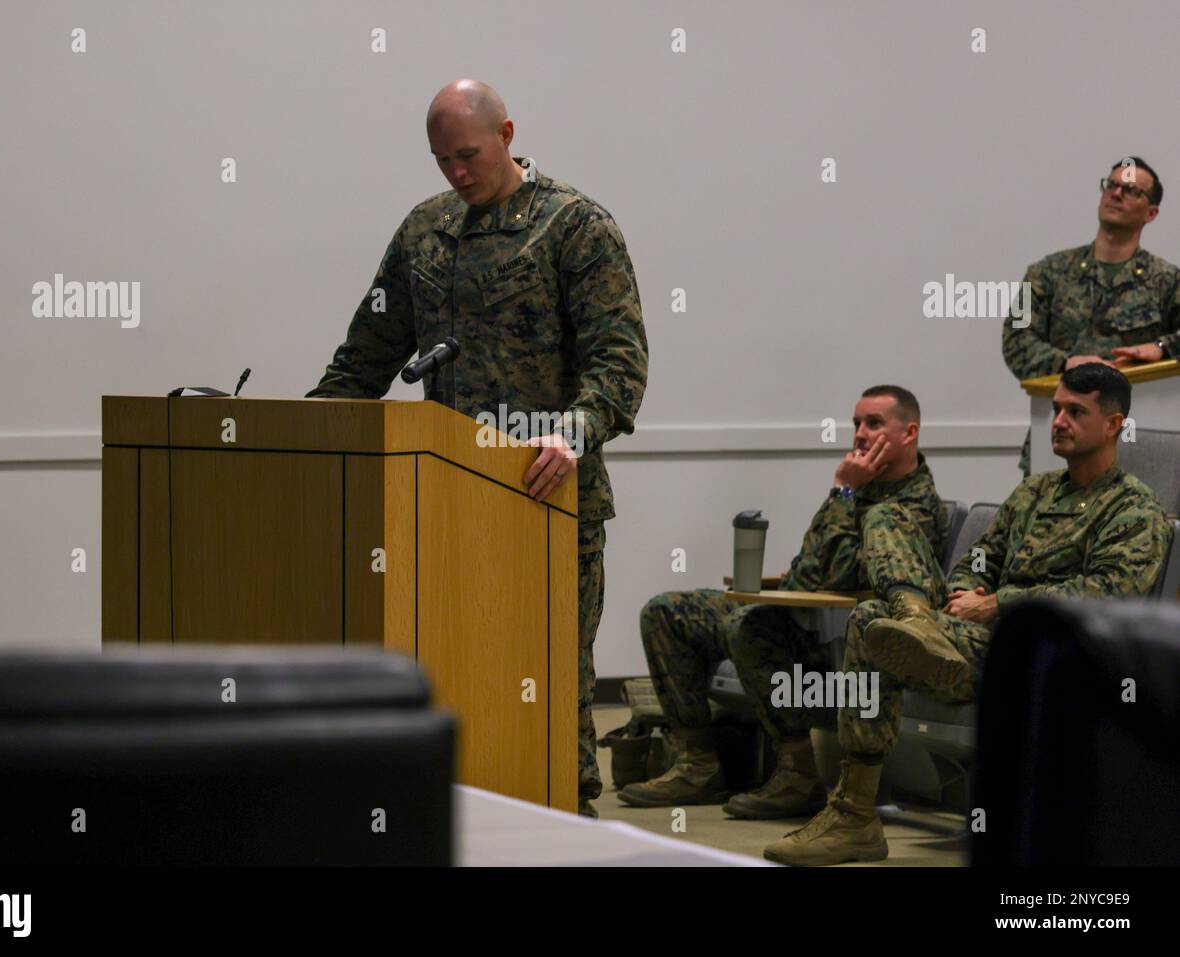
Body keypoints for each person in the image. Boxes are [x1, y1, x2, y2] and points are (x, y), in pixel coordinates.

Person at [308, 79, 648, 817]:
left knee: (551, 672)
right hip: (447, 499)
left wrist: (574, 430)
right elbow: (364, 359)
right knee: (456, 666)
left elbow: (618, 366)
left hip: (547, 496)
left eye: (468, 155)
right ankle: (466, 816)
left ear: (507, 134)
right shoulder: (423, 233)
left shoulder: (574, 226)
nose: (457, 174)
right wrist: (301, 434)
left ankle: (565, 809)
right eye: (442, 161)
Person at [764, 364, 1173, 865]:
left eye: (1075, 411)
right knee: (872, 609)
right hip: (975, 637)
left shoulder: (1133, 508)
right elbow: (979, 560)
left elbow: (1109, 595)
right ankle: (855, 812)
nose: (1059, 421)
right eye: (1057, 409)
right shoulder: (1034, 492)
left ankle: (855, 812)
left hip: (1042, 657)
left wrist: (998, 603)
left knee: (874, 618)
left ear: (1113, 424)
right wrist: (963, 595)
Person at [618, 386, 947, 817]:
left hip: (845, 639)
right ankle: (696, 764)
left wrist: (843, 492)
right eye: (856, 424)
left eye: (874, 424)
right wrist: (845, 495)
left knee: (749, 627)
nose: (860, 435)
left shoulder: (916, 507)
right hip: (802, 618)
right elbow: (807, 568)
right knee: (666, 613)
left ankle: (797, 775)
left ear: (910, 433)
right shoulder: (857, 490)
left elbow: (839, 577)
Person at [1003, 157, 1180, 475]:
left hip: (1138, 441)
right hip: (1057, 441)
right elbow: (1016, 339)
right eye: (1111, 185)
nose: (1115, 194)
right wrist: (1065, 363)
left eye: (1130, 190)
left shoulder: (1167, 281)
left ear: (1151, 213)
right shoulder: (1047, 273)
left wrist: (1163, 347)